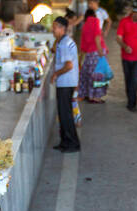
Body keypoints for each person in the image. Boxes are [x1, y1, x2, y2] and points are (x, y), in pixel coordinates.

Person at [50, 17, 81, 152]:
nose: (53, 29)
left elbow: (69, 65)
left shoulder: (65, 43)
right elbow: (53, 50)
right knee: (63, 114)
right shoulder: (62, 41)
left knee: (66, 114)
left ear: (62, 29)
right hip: (66, 82)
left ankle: (73, 143)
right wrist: (56, 38)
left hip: (66, 82)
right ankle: (64, 142)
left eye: (55, 27)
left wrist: (56, 74)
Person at [79, 0, 110, 103]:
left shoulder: (84, 26)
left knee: (88, 74)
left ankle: (88, 94)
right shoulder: (95, 21)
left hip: (89, 54)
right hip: (97, 52)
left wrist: (80, 59)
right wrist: (100, 50)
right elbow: (97, 36)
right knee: (98, 75)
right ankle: (95, 97)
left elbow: (83, 45)